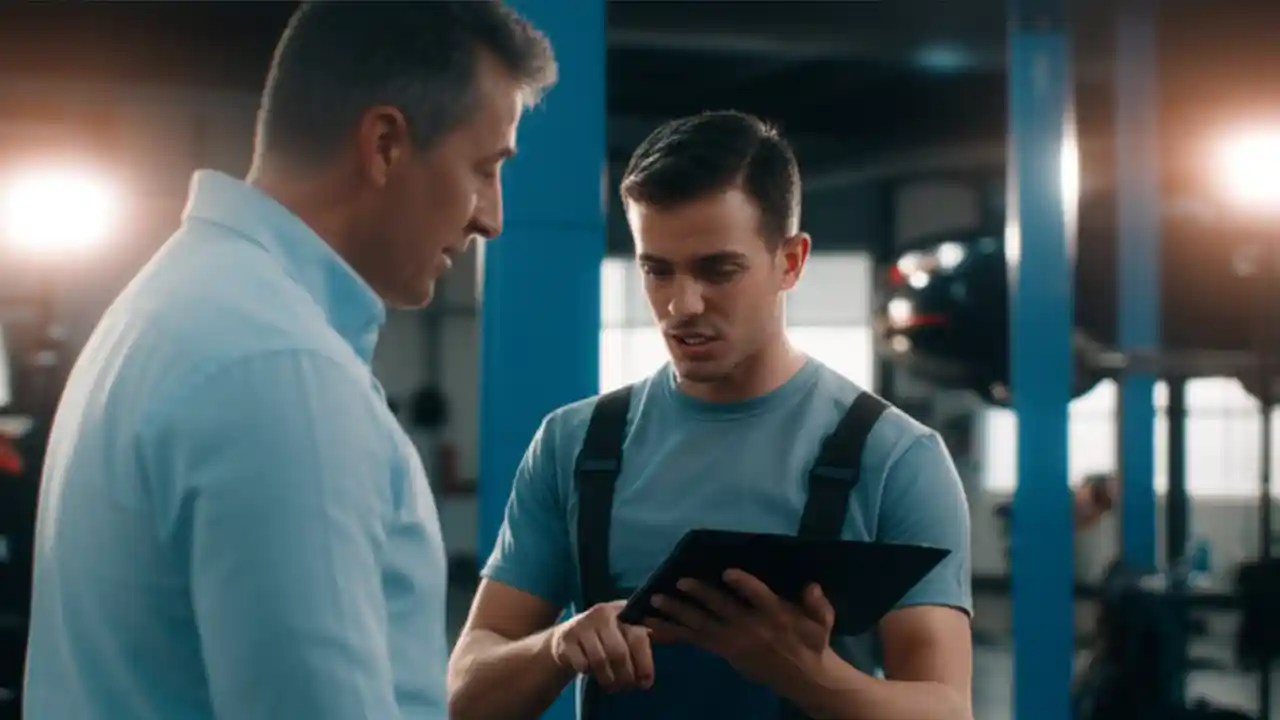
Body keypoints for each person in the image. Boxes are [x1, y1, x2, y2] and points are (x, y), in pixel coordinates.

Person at [23, 3, 555, 719]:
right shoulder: (282, 371)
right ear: (386, 144)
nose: (491, 216)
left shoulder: (171, 307)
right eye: (484, 168)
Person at [448, 110, 974, 720]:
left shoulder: (895, 457)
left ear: (791, 262)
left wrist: (810, 677)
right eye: (657, 269)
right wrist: (558, 647)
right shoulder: (575, 446)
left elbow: (946, 709)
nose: (682, 304)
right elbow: (465, 694)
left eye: (718, 270)